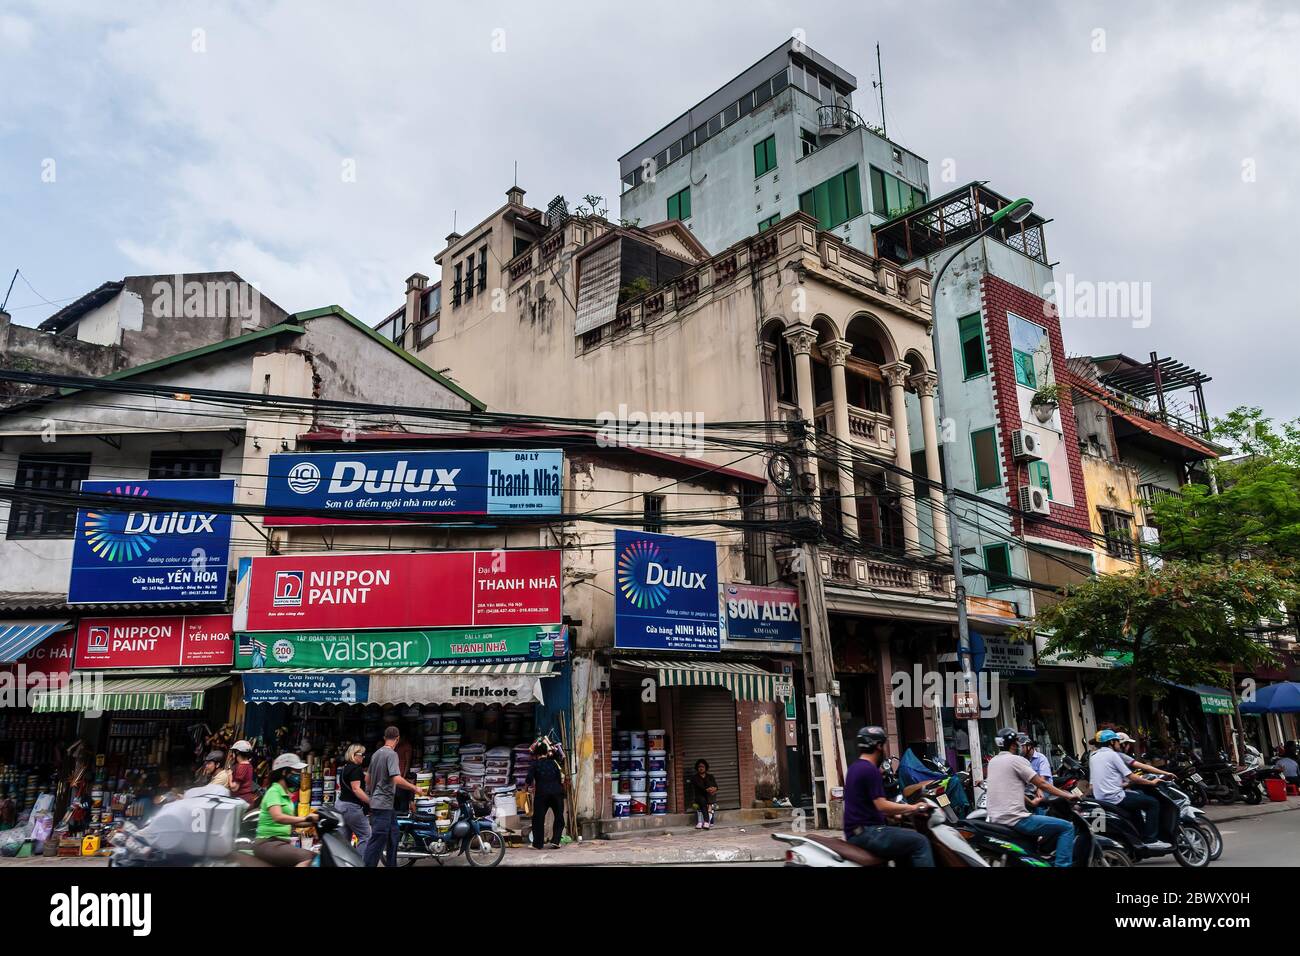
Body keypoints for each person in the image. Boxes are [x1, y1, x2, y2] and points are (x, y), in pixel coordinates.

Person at [984, 728, 1080, 866]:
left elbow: (1011, 789)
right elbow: (1042, 783)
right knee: (1067, 828)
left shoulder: (993, 762)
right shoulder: (1016, 760)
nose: (1020, 747)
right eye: (1018, 743)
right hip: (1016, 819)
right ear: (1013, 744)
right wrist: (1068, 795)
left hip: (996, 818)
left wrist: (1032, 803)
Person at [843, 726, 934, 867]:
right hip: (868, 833)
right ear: (878, 746)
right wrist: (914, 807)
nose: (885, 750)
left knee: (904, 843)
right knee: (920, 842)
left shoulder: (854, 768)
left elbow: (866, 805)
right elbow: (882, 805)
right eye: (884, 745)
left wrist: (892, 816)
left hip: (856, 833)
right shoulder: (870, 770)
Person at [1089, 729, 1169, 850]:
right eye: (1116, 741)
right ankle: (1151, 840)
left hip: (1101, 799)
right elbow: (1132, 777)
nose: (1118, 744)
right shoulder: (1113, 755)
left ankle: (1140, 838)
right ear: (1111, 742)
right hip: (1116, 797)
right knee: (1152, 803)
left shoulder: (1093, 756)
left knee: (1136, 807)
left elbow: (1092, 785)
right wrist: (1151, 783)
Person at [363, 726, 425, 867]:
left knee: (394, 835)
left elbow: (367, 779)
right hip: (383, 804)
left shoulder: (376, 754)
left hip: (384, 804)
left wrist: (372, 794)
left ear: (385, 738)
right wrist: (414, 788)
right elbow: (396, 778)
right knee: (378, 839)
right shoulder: (391, 755)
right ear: (397, 739)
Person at [253, 753, 318, 867]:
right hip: (268, 843)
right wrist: (304, 818)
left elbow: (295, 821)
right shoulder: (274, 791)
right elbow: (278, 817)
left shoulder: (285, 794)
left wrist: (314, 821)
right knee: (309, 857)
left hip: (280, 843)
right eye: (296, 772)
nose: (299, 775)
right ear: (284, 772)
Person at [525, 737, 566, 849]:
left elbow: (528, 779)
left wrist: (525, 790)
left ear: (537, 754)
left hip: (542, 793)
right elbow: (559, 777)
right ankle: (556, 841)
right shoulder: (553, 763)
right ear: (546, 752)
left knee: (538, 818)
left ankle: (538, 844)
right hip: (557, 792)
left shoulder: (535, 765)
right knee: (559, 817)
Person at [336, 744, 371, 859]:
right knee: (366, 836)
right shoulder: (356, 769)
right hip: (351, 807)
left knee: (344, 839)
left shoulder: (345, 768)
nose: (363, 757)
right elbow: (356, 789)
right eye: (362, 754)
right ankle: (358, 862)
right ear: (354, 755)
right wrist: (371, 802)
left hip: (340, 805)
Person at [688, 760, 719, 829]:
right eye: (699, 767)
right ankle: (706, 822)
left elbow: (716, 786)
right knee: (703, 801)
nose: (701, 768)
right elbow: (700, 787)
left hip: (709, 795)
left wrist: (714, 789)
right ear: (697, 768)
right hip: (699, 796)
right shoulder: (694, 778)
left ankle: (705, 822)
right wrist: (707, 789)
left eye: (702, 766)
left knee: (708, 799)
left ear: (706, 767)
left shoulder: (710, 776)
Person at [229, 740, 258, 806]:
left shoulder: (241, 766)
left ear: (237, 752)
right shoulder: (249, 765)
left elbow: (234, 788)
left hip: (241, 801)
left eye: (233, 752)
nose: (232, 754)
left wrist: (229, 775)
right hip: (246, 800)